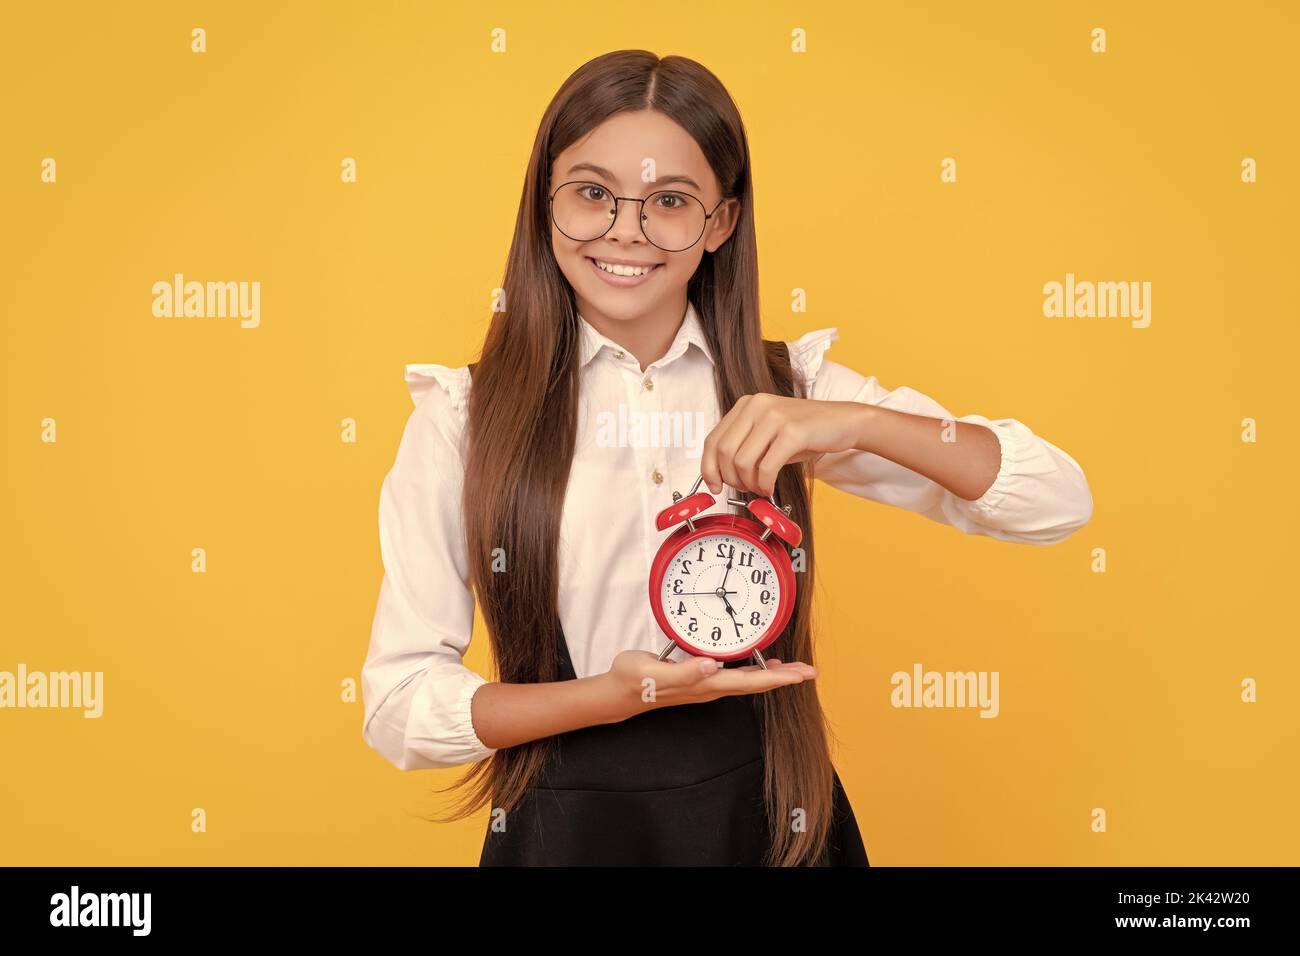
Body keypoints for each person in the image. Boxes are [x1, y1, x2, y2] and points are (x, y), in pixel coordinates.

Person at [360, 50, 1094, 866]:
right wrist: (613, 694)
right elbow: (397, 705)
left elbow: (1055, 502)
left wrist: (850, 421)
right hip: (565, 839)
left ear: (721, 223)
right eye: (593, 194)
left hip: (769, 822)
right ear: (544, 203)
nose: (626, 231)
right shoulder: (464, 418)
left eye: (669, 201)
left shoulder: (787, 388)